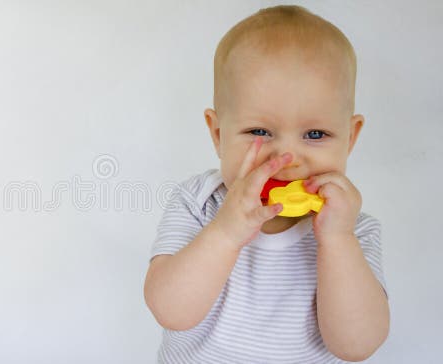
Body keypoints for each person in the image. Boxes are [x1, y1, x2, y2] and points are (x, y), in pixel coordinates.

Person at [143, 5, 389, 363]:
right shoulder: (199, 203)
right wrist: (227, 232)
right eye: (260, 132)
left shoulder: (354, 230)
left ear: (350, 138)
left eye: (315, 134)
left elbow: (357, 346)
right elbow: (171, 312)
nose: (288, 156)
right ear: (218, 133)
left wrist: (337, 241)